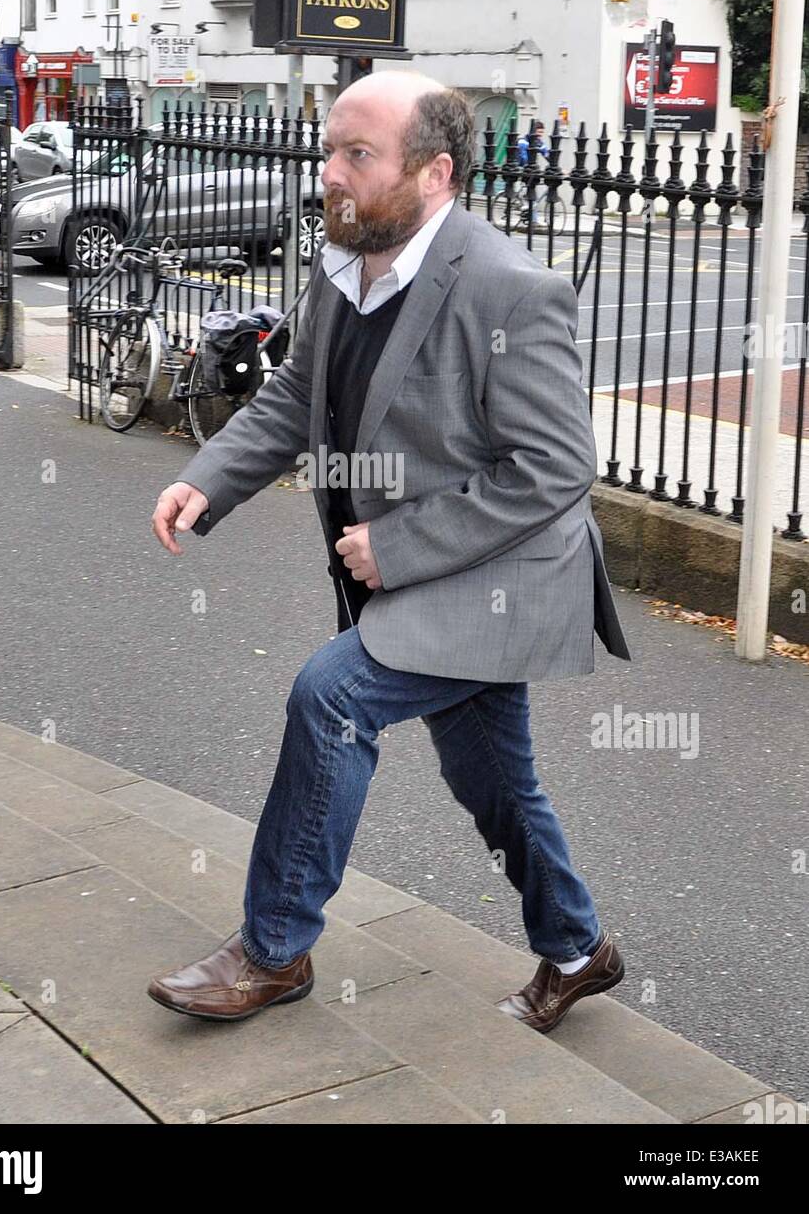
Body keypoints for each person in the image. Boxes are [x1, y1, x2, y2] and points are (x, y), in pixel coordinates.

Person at [147, 70, 631, 1033]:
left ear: (436, 173)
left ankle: (273, 950)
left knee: (332, 697)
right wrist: (212, 477)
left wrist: (401, 545)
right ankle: (579, 949)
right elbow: (295, 394)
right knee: (493, 776)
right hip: (417, 576)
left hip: (497, 577)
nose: (330, 173)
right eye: (331, 150)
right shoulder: (347, 265)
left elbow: (558, 465)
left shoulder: (510, 289)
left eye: (356, 156)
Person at [517, 120, 549, 225]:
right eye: (539, 132)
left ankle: (530, 214)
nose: (540, 135)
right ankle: (533, 219)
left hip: (527, 169)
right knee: (532, 192)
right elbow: (524, 158)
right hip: (522, 168)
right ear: (533, 131)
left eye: (542, 133)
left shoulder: (536, 142)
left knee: (531, 191)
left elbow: (547, 154)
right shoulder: (525, 142)